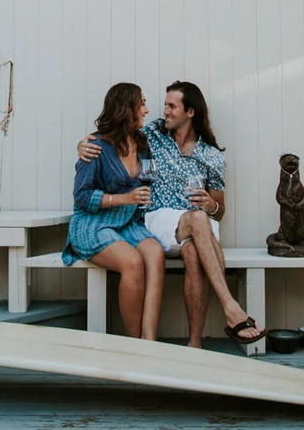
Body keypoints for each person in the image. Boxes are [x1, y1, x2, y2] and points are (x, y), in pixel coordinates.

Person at [79, 81, 266, 347]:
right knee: (197, 220)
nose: (163, 111)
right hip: (160, 219)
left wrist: (210, 205)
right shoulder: (153, 134)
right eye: (164, 105)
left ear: (190, 112)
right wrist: (82, 143)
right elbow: (114, 134)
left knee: (193, 249)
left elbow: (220, 210)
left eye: (171, 106)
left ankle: (194, 343)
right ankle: (231, 308)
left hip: (199, 226)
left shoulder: (212, 156)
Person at [64, 82, 167, 340]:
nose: (147, 109)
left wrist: (145, 193)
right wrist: (125, 198)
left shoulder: (142, 142)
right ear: (126, 108)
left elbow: (149, 179)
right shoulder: (96, 146)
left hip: (127, 222)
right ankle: (134, 346)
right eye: (141, 103)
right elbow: (82, 197)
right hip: (93, 223)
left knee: (155, 253)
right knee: (132, 262)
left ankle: (149, 341)